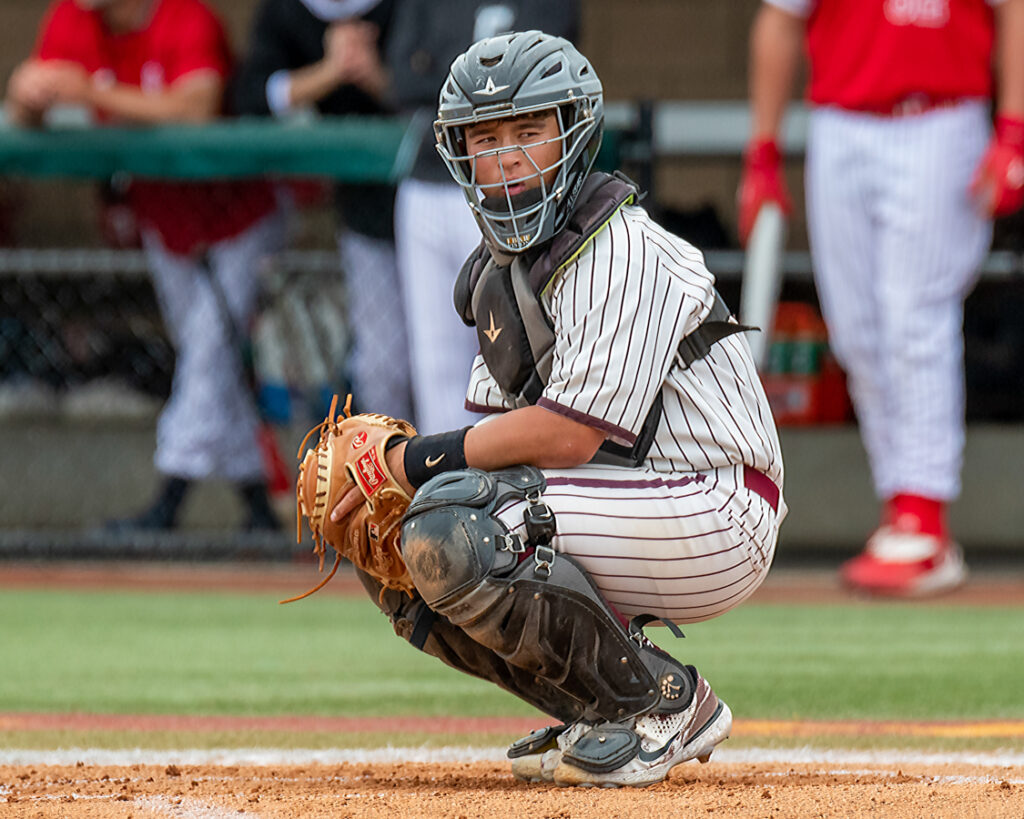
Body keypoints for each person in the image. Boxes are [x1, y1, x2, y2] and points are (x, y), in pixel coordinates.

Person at [332, 31, 786, 788]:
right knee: (402, 543)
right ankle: (600, 704)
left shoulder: (619, 246)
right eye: (485, 137)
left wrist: (409, 461)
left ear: (574, 135)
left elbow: (568, 435)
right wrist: (400, 480)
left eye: (528, 130)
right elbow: (500, 440)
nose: (506, 155)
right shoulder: (504, 271)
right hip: (634, 500)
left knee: (456, 523)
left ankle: (662, 703)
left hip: (715, 505)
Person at [741, 0, 1024, 596]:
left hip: (942, 118)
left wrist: (1014, 129)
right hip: (842, 122)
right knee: (855, 330)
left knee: (913, 315)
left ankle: (924, 516)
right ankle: (902, 509)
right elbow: (780, 19)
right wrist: (761, 153)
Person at [5, 0, 286, 531]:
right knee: (210, 363)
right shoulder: (72, 18)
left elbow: (197, 107)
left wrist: (89, 92)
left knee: (207, 357)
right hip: (165, 220)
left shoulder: (187, 16)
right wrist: (28, 97)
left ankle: (166, 503)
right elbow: (26, 111)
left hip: (239, 216)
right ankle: (256, 506)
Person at [383, 1, 579, 433]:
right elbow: (402, 77)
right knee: (435, 364)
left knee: (518, 347)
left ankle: (513, 486)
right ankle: (447, 489)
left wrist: (455, 83)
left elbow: (548, 78)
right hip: (430, 182)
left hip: (513, 193)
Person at [233, 0, 414, 423]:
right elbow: (250, 96)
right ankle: (398, 477)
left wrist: (377, 76)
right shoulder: (290, 14)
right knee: (381, 366)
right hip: (367, 212)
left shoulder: (413, 8)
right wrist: (331, 71)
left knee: (449, 355)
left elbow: (449, 95)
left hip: (448, 199)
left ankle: (464, 479)